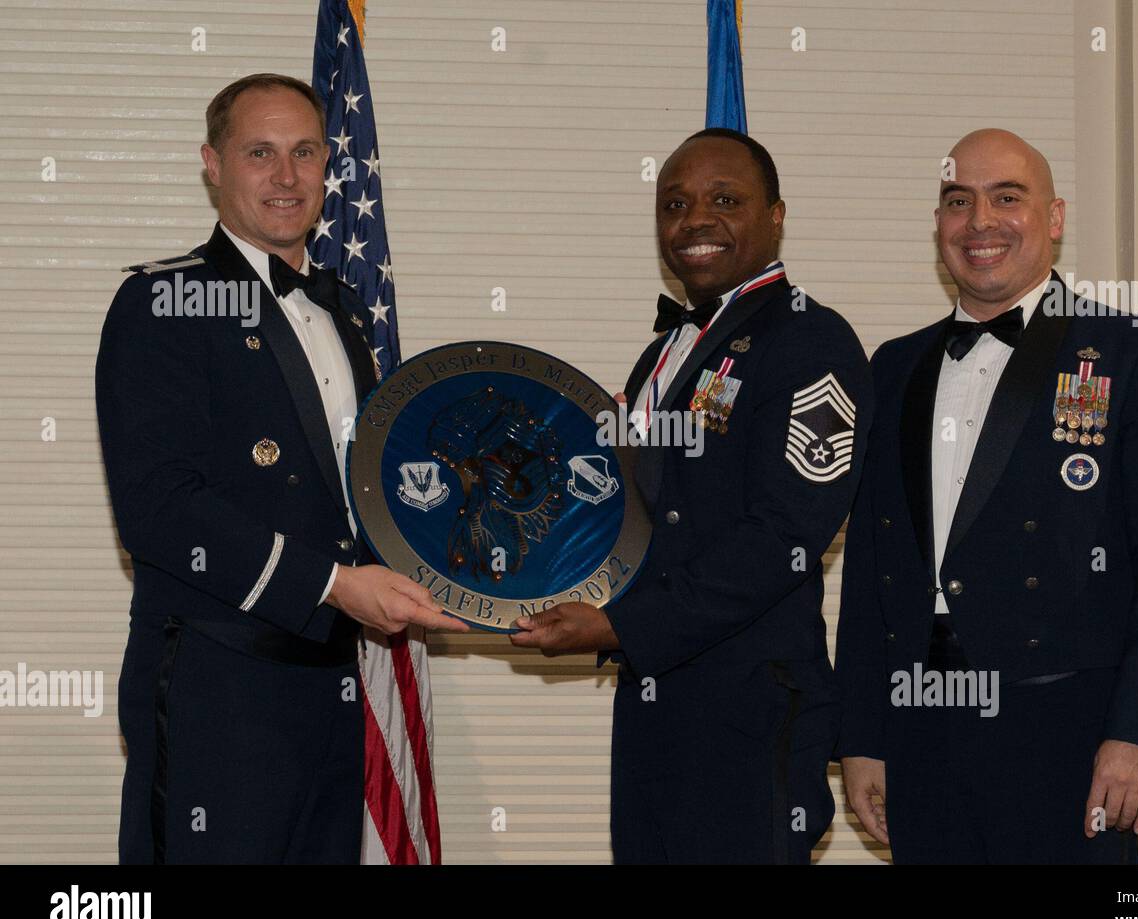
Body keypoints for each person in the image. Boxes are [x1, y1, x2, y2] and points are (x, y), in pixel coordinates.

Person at [96, 73, 466, 864]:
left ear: (329, 162)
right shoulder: (164, 302)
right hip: (220, 687)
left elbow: (361, 491)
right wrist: (334, 585)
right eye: (259, 152)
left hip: (334, 684)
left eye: (304, 152)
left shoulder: (343, 309)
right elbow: (159, 510)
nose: (287, 176)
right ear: (212, 164)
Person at [835, 128, 1138, 863]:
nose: (980, 221)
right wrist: (862, 734)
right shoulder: (891, 366)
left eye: (1007, 197)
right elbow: (871, 564)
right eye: (959, 201)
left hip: (1072, 734)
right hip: (922, 729)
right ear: (938, 224)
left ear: (1055, 217)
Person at [510, 129, 872, 863]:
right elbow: (637, 518)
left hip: (749, 708)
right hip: (658, 699)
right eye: (674, 204)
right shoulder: (664, 352)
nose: (695, 219)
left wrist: (619, 625)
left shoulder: (812, 340)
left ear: (776, 216)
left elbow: (782, 536)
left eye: (725, 200)